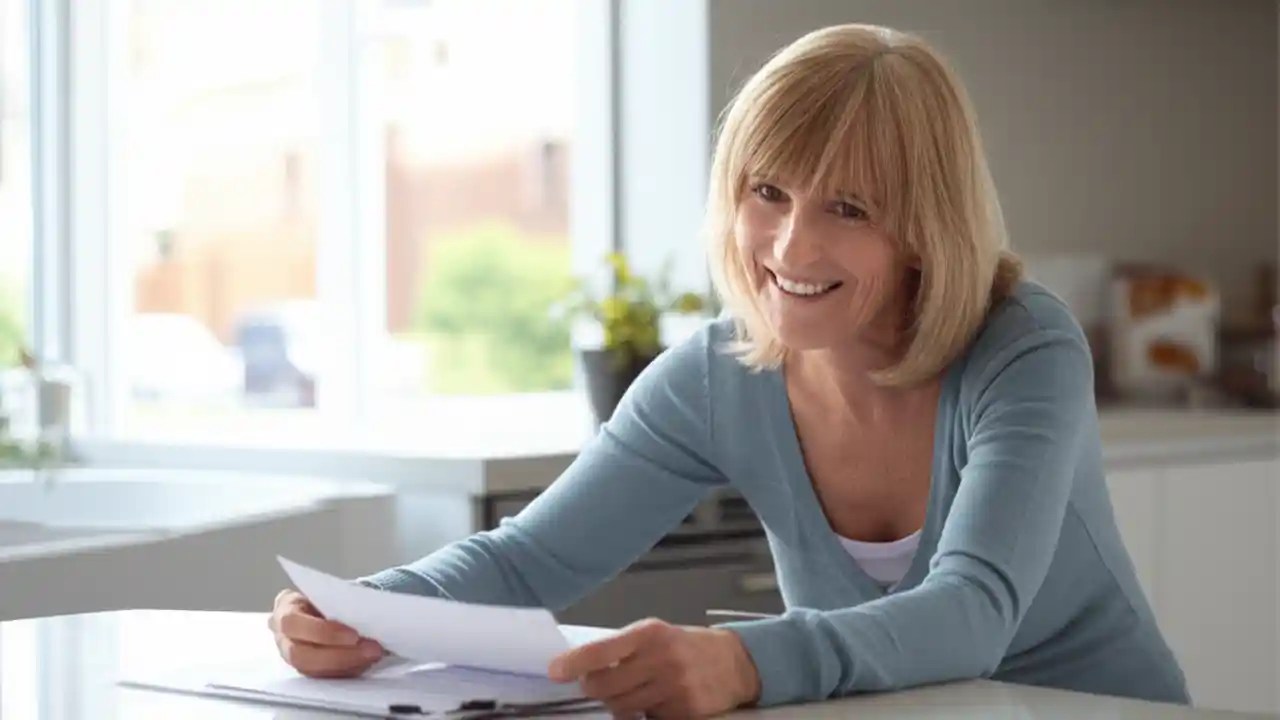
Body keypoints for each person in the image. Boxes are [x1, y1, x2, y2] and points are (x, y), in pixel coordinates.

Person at [268, 23, 1190, 718]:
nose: (792, 244)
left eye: (849, 207)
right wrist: (365, 611)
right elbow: (529, 560)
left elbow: (972, 611)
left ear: (923, 224)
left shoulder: (1024, 348)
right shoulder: (719, 374)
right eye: (768, 192)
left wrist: (741, 663)